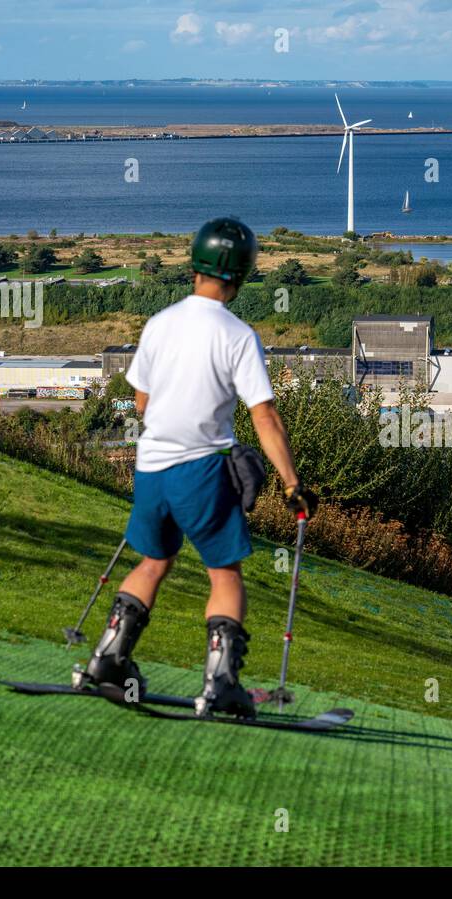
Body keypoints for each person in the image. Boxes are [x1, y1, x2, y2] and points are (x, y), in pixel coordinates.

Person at [84, 217, 317, 717]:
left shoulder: (159, 324)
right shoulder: (237, 336)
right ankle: (220, 685)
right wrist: (292, 483)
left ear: (194, 265)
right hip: (202, 469)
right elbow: (264, 415)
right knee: (224, 574)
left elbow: (142, 403)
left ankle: (108, 658)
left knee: (152, 562)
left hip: (149, 466)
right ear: (242, 273)